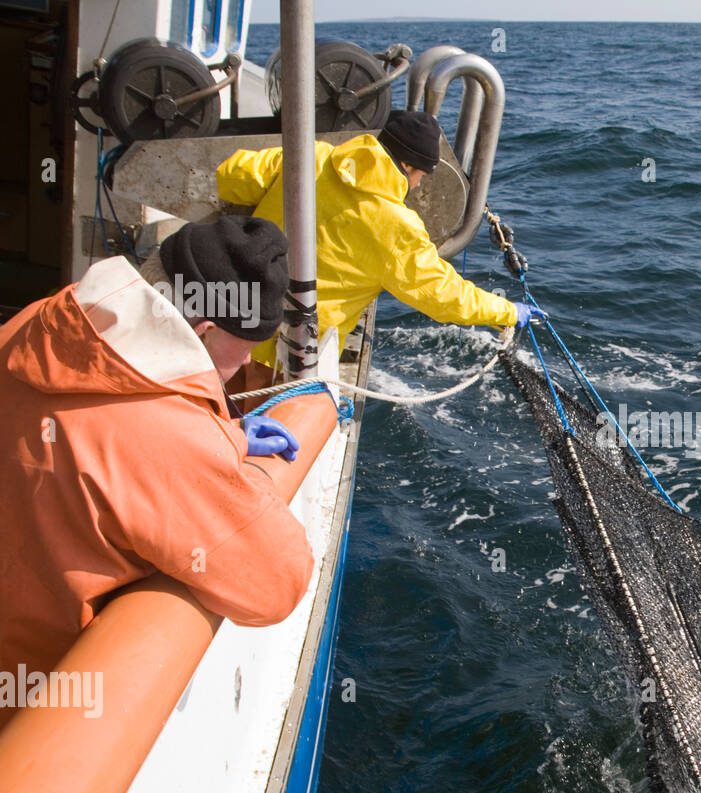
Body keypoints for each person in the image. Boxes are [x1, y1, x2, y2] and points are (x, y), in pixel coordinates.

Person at [0, 216, 315, 685]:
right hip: (29, 697)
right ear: (205, 327)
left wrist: (226, 433)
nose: (248, 362)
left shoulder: (37, 320)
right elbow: (278, 582)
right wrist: (219, 454)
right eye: (246, 346)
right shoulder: (165, 438)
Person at [215, 109, 546, 380]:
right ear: (406, 165)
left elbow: (230, 177)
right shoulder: (397, 225)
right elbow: (443, 296)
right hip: (286, 355)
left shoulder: (313, 156)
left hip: (227, 315)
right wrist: (506, 311)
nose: (416, 186)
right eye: (420, 176)